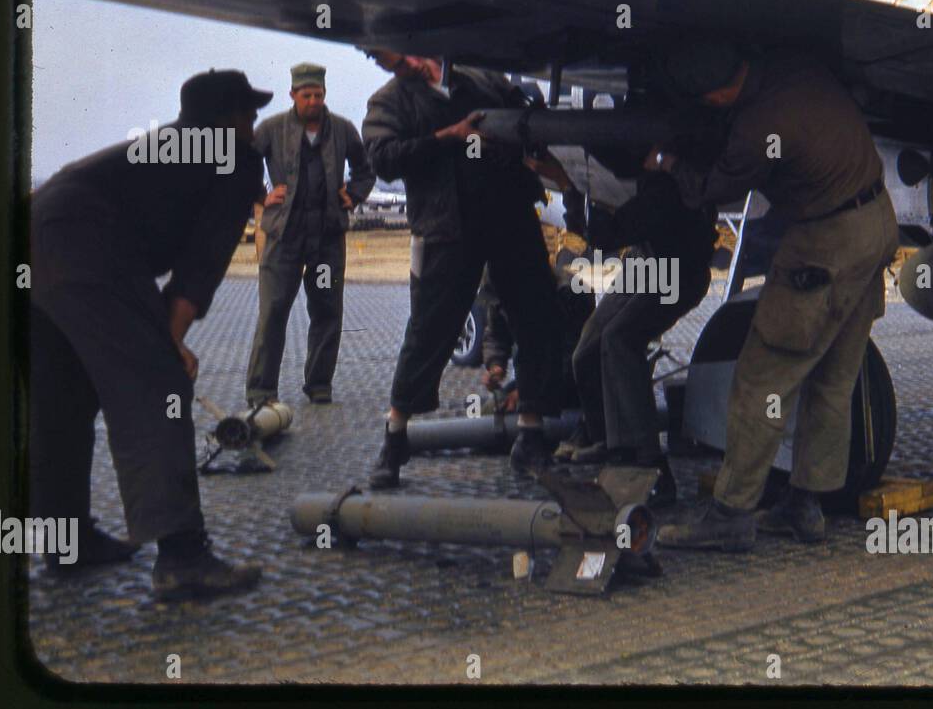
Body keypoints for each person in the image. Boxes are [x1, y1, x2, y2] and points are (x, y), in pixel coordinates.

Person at [29, 69, 271, 599]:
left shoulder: (164, 145)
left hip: (34, 233)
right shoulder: (235, 157)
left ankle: (67, 542)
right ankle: (184, 557)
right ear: (227, 120)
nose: (254, 121)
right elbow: (200, 265)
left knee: (63, 397)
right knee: (157, 390)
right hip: (90, 246)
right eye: (247, 112)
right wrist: (170, 344)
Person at [651, 40, 899, 550]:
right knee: (833, 377)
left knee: (761, 381)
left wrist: (667, 162)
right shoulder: (798, 64)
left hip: (826, 243)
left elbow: (709, 191)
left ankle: (731, 514)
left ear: (717, 97)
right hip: (876, 223)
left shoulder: (755, 129)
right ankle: (806, 506)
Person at [359, 49, 562, 485]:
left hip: (508, 213)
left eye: (400, 54)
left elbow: (522, 115)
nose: (399, 64)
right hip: (448, 226)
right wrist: (446, 136)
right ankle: (394, 440)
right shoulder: (389, 102)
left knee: (537, 317)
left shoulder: (482, 74)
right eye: (386, 61)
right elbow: (381, 159)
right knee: (430, 329)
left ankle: (531, 436)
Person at [553, 170, 717, 508]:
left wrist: (567, 186)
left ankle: (648, 462)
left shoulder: (664, 187)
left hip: (676, 270)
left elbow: (605, 235)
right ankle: (607, 437)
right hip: (646, 261)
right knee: (587, 349)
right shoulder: (653, 177)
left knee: (619, 339)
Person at [244, 63, 373, 406]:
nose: (314, 101)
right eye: (307, 95)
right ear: (293, 95)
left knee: (328, 311)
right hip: (283, 238)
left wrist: (354, 194)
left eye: (318, 94)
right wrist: (259, 195)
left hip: (327, 239)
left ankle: (319, 385)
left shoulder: (344, 130)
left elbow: (366, 168)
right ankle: (261, 391)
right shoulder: (270, 129)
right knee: (272, 312)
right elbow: (241, 162)